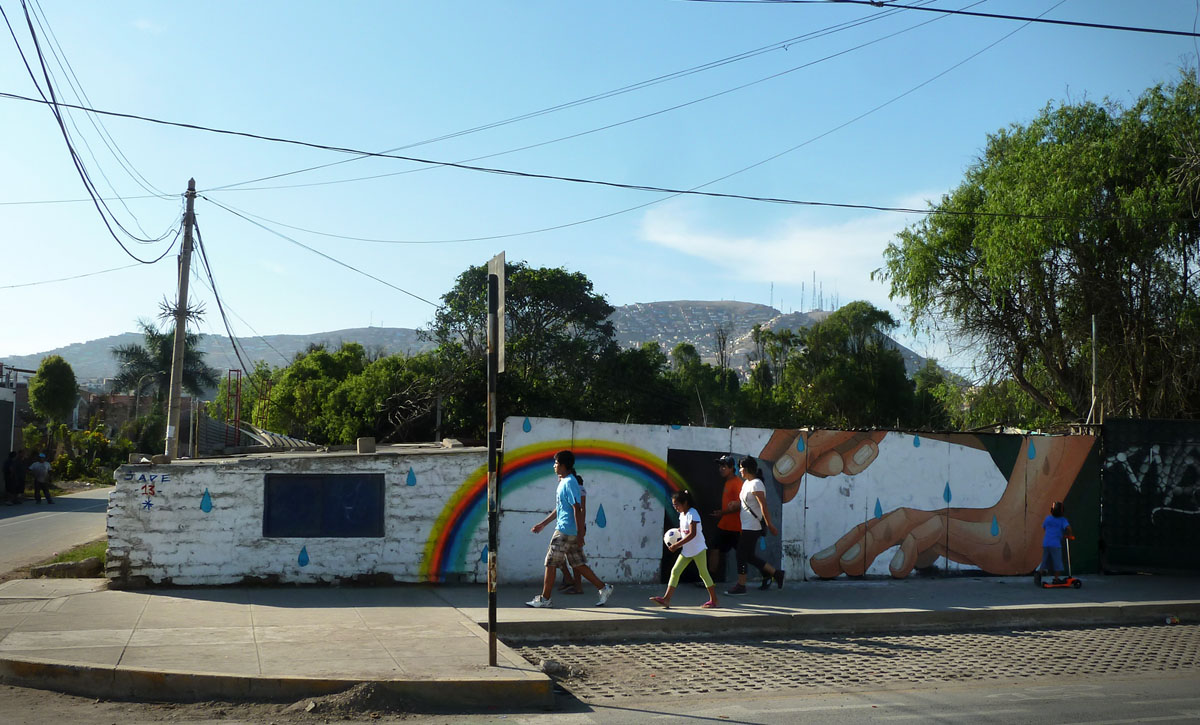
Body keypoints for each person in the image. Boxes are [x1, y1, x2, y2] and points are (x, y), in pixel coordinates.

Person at [527, 450, 614, 608]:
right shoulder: (564, 482)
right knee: (578, 564)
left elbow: (577, 508)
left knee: (550, 562)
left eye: (556, 463)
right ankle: (603, 588)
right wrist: (543, 524)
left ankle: (545, 599)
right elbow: (560, 508)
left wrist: (581, 534)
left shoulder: (569, 482)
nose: (554, 466)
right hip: (569, 530)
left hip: (565, 531)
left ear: (563, 465)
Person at [650, 490, 719, 609]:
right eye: (673, 505)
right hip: (687, 550)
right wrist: (677, 532)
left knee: (703, 574)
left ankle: (714, 600)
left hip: (698, 549)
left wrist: (676, 545)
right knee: (675, 571)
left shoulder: (693, 513)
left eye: (677, 504)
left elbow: (692, 533)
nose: (675, 507)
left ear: (685, 503)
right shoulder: (682, 515)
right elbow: (684, 530)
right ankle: (666, 599)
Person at [727, 456, 783, 595]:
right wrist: (736, 504)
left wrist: (770, 525)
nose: (739, 470)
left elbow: (763, 505)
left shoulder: (756, 484)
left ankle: (741, 585)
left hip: (752, 526)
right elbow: (747, 503)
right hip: (746, 525)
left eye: (740, 468)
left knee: (741, 554)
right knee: (749, 556)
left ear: (746, 469)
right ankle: (775, 573)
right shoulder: (747, 483)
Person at [707, 454, 742, 583]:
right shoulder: (728, 481)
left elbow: (740, 505)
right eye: (720, 466)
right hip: (725, 525)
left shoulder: (737, 483)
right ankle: (710, 580)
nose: (721, 469)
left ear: (732, 468)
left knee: (747, 556)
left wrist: (722, 512)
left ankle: (771, 572)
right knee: (714, 547)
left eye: (724, 466)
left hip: (735, 526)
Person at [557, 475, 586, 595]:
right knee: (570, 558)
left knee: (574, 560)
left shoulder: (577, 488)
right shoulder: (569, 488)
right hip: (571, 528)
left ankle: (575, 584)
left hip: (572, 529)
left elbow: (581, 510)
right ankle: (570, 581)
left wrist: (580, 531)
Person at [1040, 501, 1075, 584]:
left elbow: (1044, 527)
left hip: (1046, 543)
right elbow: (1068, 528)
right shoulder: (1063, 520)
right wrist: (1069, 535)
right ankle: (1056, 579)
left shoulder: (1048, 518)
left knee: (1044, 561)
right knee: (1057, 562)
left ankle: (1038, 575)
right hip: (1055, 544)